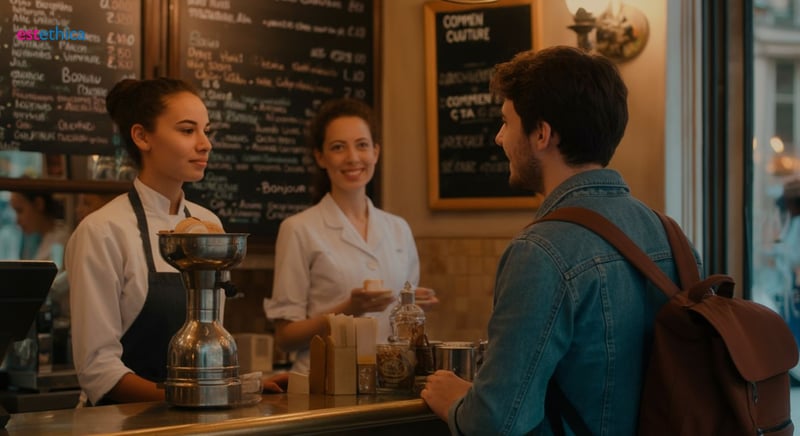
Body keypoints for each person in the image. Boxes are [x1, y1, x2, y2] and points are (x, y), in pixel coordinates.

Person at [420, 46, 700, 435]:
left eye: (506, 122)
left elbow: (496, 422)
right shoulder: (672, 235)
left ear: (541, 134)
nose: (500, 138)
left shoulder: (540, 252)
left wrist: (454, 401)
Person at [66, 78, 285, 406]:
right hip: (124, 423)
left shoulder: (209, 226)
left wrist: (243, 384)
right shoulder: (102, 231)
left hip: (197, 420)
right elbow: (98, 371)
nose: (205, 144)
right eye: (187, 130)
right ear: (142, 136)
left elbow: (206, 345)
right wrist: (191, 396)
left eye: (206, 130)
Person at [264, 98, 437, 374]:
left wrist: (413, 306)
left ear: (376, 152)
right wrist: (349, 309)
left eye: (362, 145)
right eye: (338, 147)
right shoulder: (298, 228)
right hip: (323, 383)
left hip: (390, 378)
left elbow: (404, 326)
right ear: (320, 157)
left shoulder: (398, 228)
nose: (353, 158)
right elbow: (286, 337)